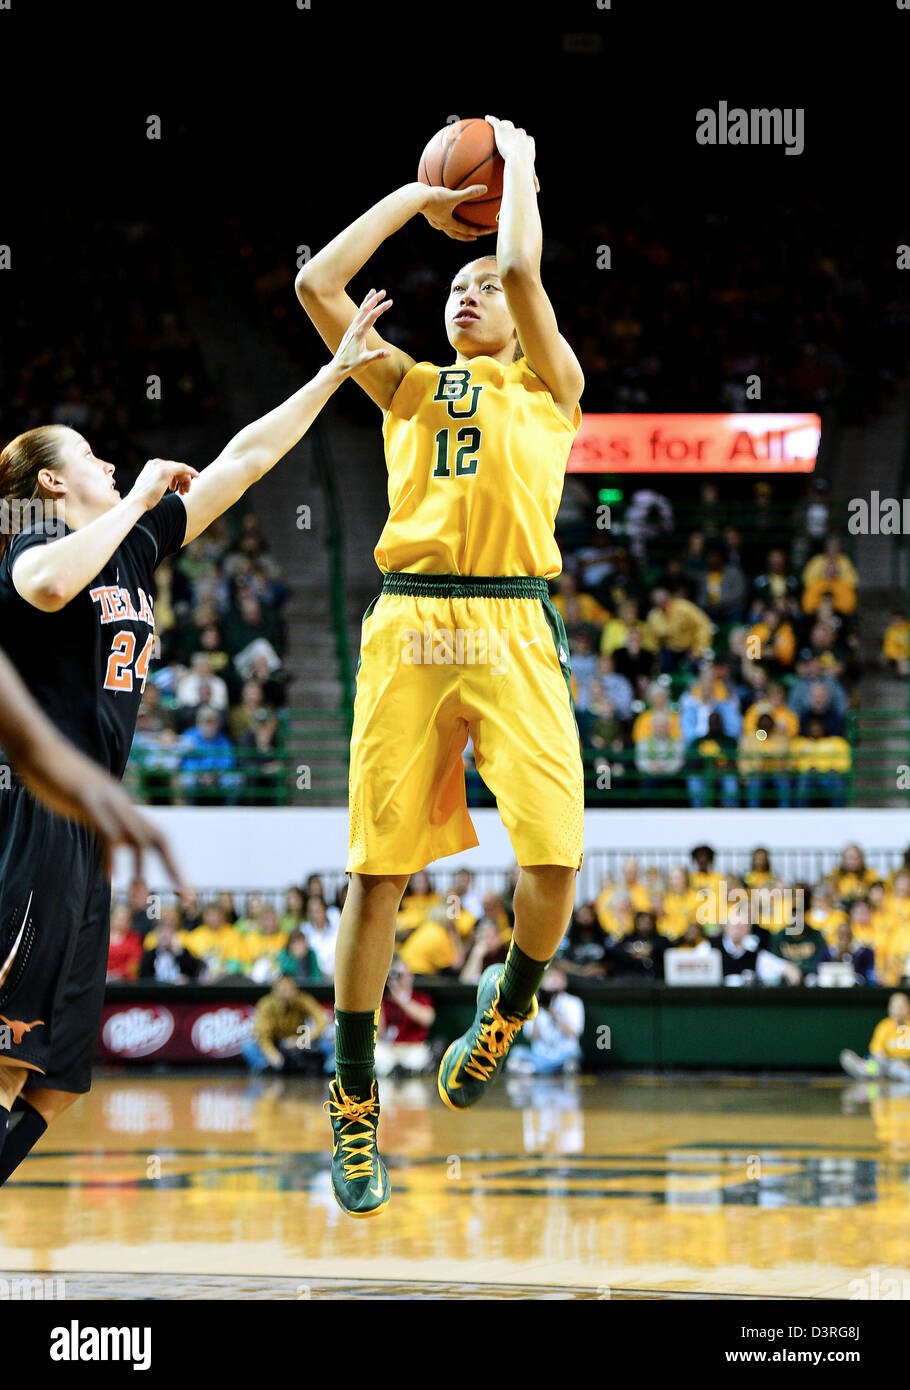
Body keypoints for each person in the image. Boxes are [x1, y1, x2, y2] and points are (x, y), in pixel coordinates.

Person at [0, 290, 387, 1187]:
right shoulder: (24, 541)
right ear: (53, 482)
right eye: (91, 457)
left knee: (57, 1078)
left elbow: (244, 462)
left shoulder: (131, 546)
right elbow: (51, 589)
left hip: (87, 824)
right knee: (10, 1050)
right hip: (30, 811)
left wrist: (334, 373)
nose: (110, 462)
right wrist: (134, 495)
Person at [296, 114, 584, 1216]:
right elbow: (320, 284)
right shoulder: (412, 386)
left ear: (526, 319)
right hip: (412, 624)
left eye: (485, 289)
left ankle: (503, 1011)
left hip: (513, 625)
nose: (469, 293)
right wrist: (419, 201)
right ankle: (356, 1097)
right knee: (377, 873)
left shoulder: (551, 388)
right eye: (454, 285)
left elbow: (518, 258)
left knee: (554, 863)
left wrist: (522, 166)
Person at [241, 973, 331, 1075]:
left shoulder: (302, 1000)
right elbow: (263, 1035)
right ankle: (265, 1067)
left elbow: (322, 1021)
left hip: (298, 1044)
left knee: (324, 1043)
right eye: (283, 989)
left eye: (289, 988)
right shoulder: (266, 1005)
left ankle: (329, 1068)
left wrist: (302, 1039)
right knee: (248, 1046)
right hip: (276, 1043)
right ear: (275, 990)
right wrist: (272, 1054)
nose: (287, 992)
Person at [507, 967, 584, 1075]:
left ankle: (534, 1070)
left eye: (557, 978)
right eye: (549, 977)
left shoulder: (573, 1002)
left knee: (572, 1060)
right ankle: (545, 1068)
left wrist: (553, 1015)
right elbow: (530, 1035)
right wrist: (537, 1012)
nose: (553, 981)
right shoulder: (534, 1004)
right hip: (540, 1054)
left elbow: (575, 1032)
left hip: (565, 1053)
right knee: (516, 1054)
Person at [374, 961, 436, 1078]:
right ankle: (392, 1072)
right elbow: (379, 1033)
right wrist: (379, 997)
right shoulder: (384, 1001)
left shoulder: (420, 997)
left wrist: (402, 999)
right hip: (390, 1049)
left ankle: (406, 1072)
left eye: (403, 975)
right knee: (377, 1053)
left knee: (420, 1056)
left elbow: (428, 1019)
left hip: (412, 1048)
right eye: (396, 975)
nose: (400, 979)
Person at [841, 992, 910, 1082]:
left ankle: (875, 1075)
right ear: (889, 1009)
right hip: (887, 1063)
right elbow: (877, 1051)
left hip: (902, 1065)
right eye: (894, 1007)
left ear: (908, 1008)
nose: (898, 1011)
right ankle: (870, 1071)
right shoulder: (884, 1026)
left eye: (901, 1007)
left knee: (904, 1072)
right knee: (848, 1056)